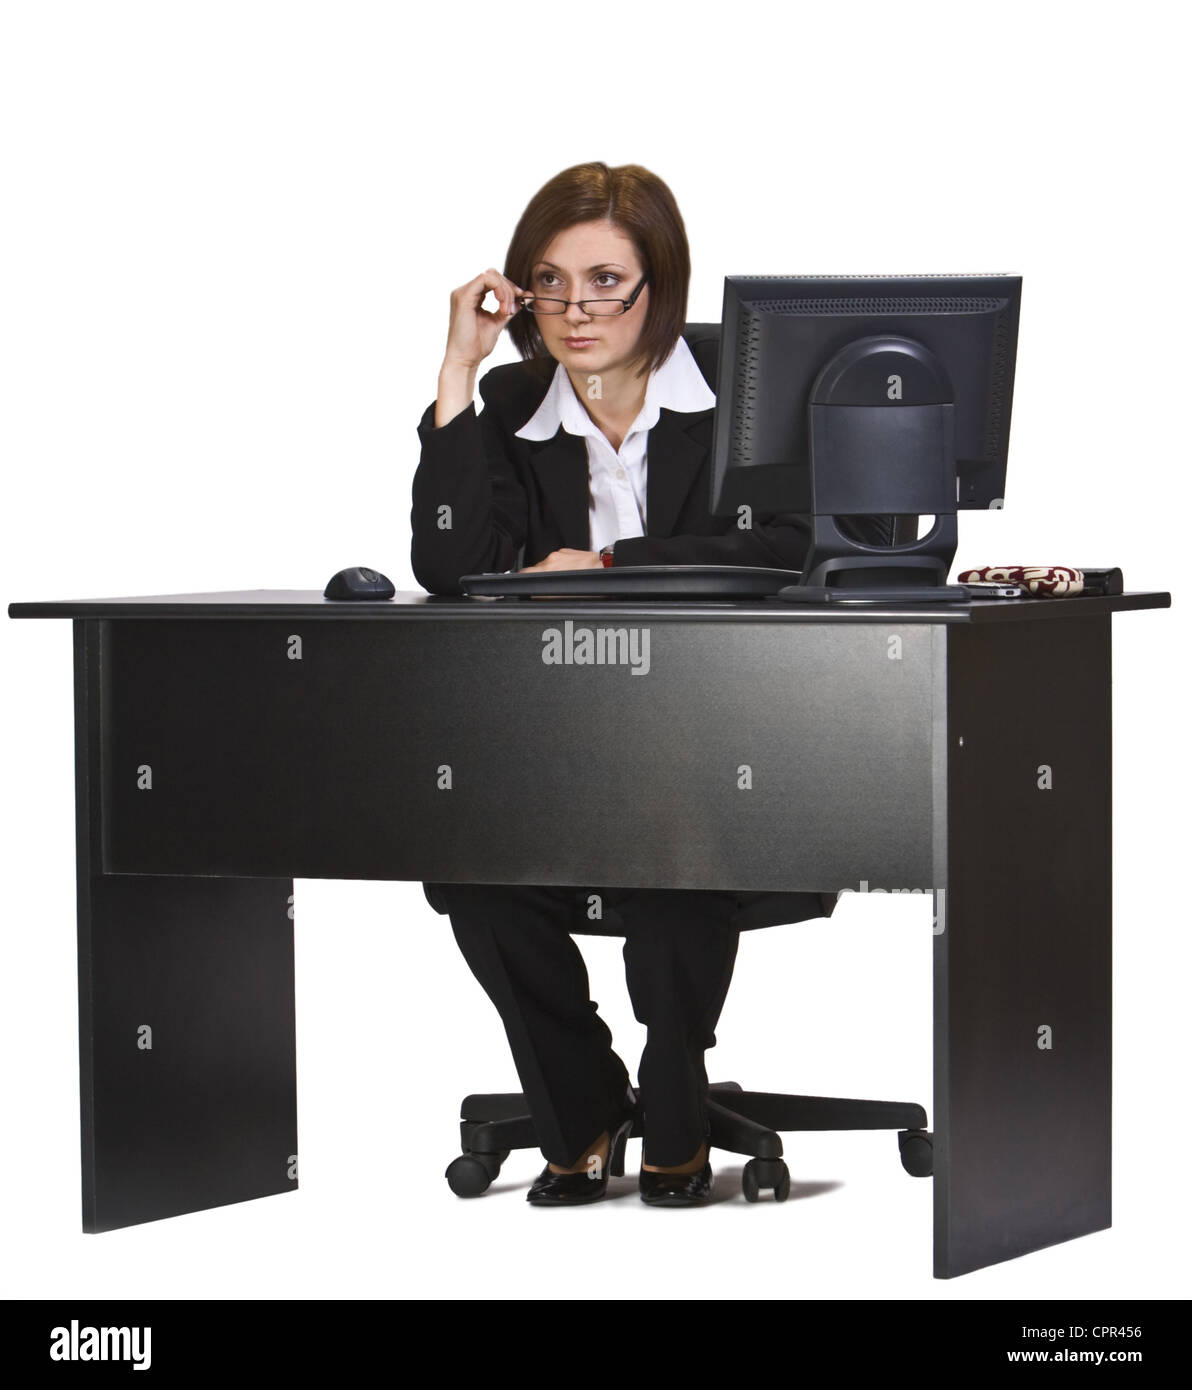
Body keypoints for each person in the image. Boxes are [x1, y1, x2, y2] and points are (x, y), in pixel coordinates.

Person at [409, 161, 817, 1206]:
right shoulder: (512, 400)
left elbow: (788, 545)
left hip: (724, 746)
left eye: (604, 282)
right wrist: (457, 373)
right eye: (547, 283)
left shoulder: (739, 398)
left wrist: (606, 565)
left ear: (660, 287)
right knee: (472, 870)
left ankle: (673, 1097)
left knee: (677, 849)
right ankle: (581, 1106)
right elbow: (453, 563)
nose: (573, 309)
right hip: (564, 747)